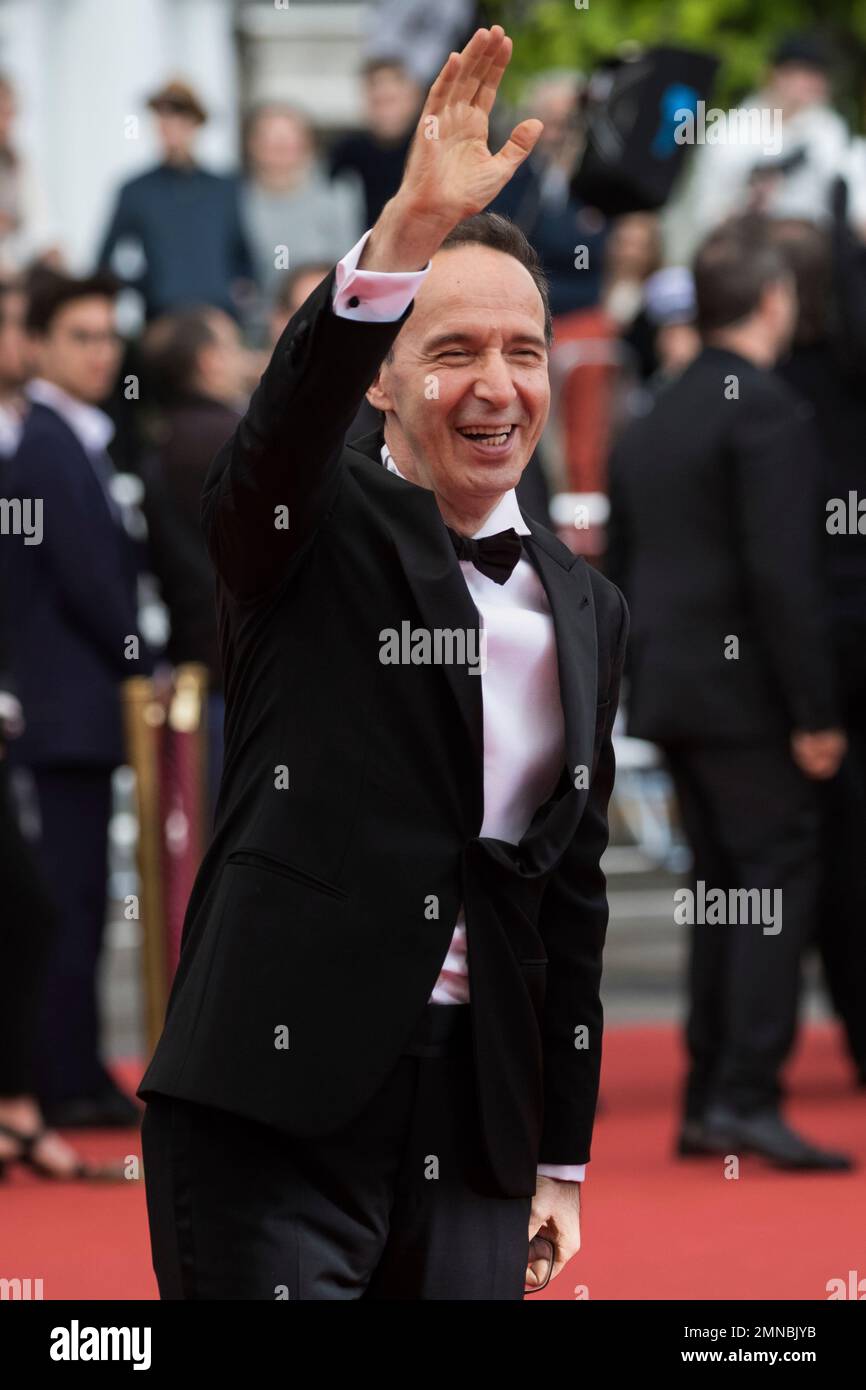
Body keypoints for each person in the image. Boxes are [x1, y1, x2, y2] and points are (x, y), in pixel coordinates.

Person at [138, 26, 628, 1301]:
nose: (497, 385)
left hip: (471, 1128)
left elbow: (566, 896)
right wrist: (402, 243)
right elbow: (279, 435)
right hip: (272, 1106)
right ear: (384, 382)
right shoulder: (307, 525)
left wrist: (558, 1155)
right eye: (452, 350)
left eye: (521, 351)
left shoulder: (586, 607)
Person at [607, 219, 852, 1171]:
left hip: (671, 689)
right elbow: (784, 577)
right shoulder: (770, 411)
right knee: (770, 884)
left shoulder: (655, 414)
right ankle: (744, 1093)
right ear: (775, 300)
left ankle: (711, 1092)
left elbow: (618, 568)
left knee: (719, 889)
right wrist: (816, 711)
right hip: (749, 697)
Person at [1, 267, 150, 1128]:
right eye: (82, 338)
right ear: (42, 346)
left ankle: (74, 1067)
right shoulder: (52, 447)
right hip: (61, 717)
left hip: (75, 713)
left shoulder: (74, 441)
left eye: (108, 336)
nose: (101, 353)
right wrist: (149, 659)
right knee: (66, 900)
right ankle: (62, 1077)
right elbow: (94, 586)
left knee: (81, 898)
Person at [139, 306, 249, 810]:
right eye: (230, 346)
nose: (241, 358)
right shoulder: (235, 440)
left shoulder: (160, 445)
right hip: (243, 672)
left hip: (199, 665)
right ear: (208, 362)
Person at [97, 79, 253, 322]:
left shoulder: (225, 188)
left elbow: (244, 258)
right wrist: (146, 286)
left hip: (218, 316)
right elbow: (106, 262)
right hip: (164, 316)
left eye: (179, 116)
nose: (170, 126)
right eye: (162, 116)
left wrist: (237, 296)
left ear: (195, 124)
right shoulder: (136, 190)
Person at [240, 104, 362, 320]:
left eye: (288, 140)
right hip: (261, 326)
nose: (280, 148)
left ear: (306, 145)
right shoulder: (238, 202)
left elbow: (349, 267)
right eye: (271, 140)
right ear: (254, 146)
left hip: (326, 319)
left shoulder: (338, 197)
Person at [329, 57, 422, 227]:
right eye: (377, 102)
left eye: (391, 100)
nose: (385, 112)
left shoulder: (431, 147)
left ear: (412, 99)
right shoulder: (347, 153)